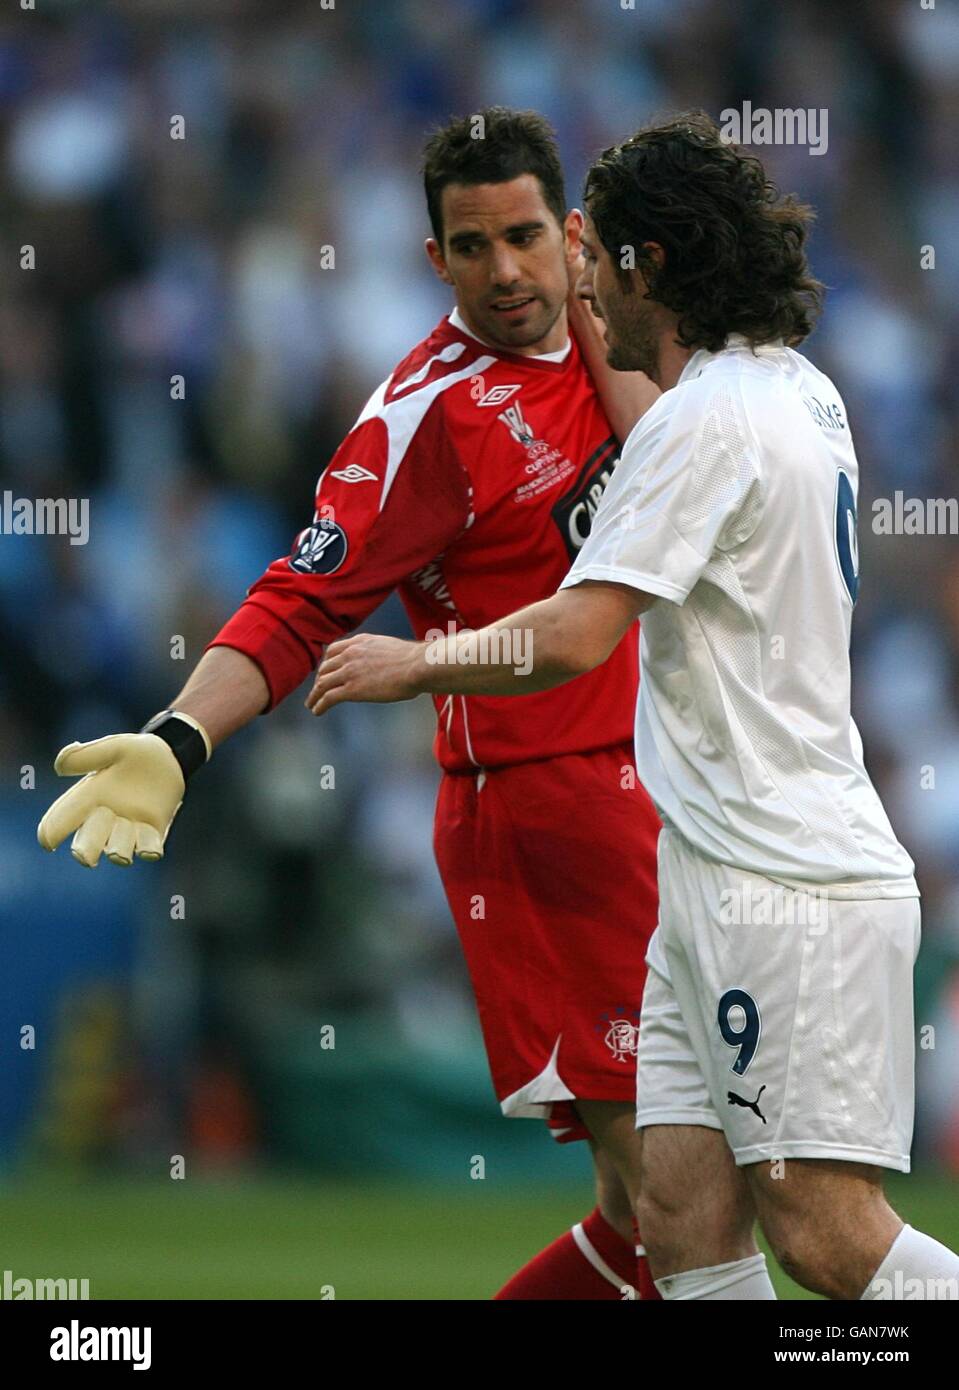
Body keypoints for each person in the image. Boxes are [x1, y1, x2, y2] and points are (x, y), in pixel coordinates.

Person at [303, 112, 959, 1301]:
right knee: (678, 1215)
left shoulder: (698, 425)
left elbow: (574, 633)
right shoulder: (796, 391)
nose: (574, 287)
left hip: (785, 880)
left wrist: (413, 664)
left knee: (820, 1236)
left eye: (593, 257)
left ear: (647, 264)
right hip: (707, 876)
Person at [37, 108, 664, 1300]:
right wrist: (181, 734)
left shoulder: (609, 335)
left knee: (650, 1212)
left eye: (523, 237)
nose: (503, 272)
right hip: (543, 815)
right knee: (678, 1185)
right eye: (470, 248)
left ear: (568, 232)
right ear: (433, 259)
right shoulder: (425, 418)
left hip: (657, 788)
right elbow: (298, 595)